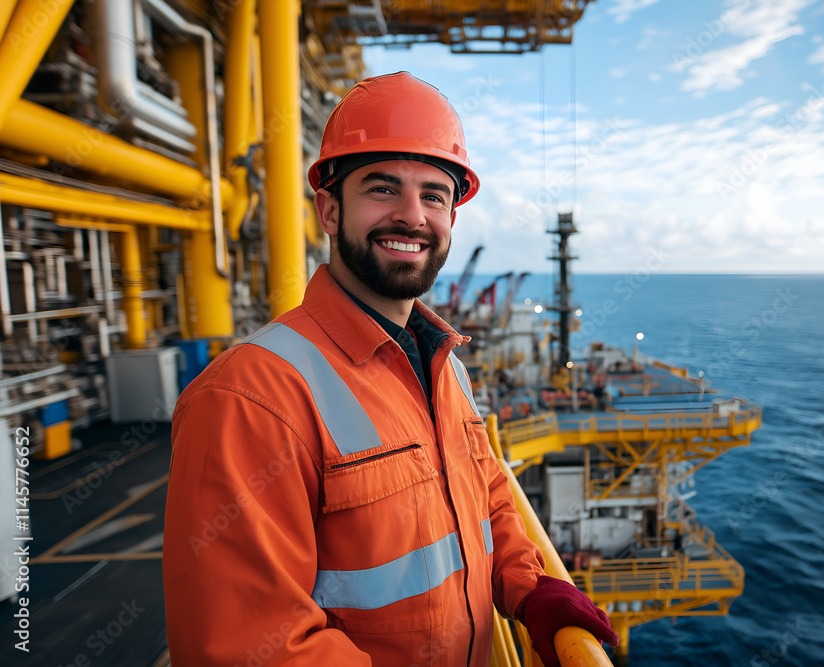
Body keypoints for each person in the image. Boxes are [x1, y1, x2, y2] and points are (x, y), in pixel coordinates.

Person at [163, 72, 617, 666]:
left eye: (434, 195)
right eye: (383, 189)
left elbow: (486, 496)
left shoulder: (443, 367)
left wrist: (534, 590)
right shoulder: (248, 398)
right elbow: (252, 647)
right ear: (328, 208)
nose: (412, 216)